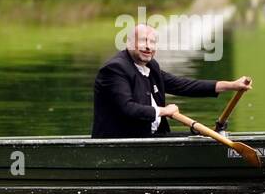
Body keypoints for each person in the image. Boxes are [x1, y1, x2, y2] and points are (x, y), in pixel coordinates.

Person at [92, 24, 252, 138]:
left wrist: (232, 85)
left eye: (152, 42)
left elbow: (183, 86)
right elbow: (128, 108)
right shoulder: (115, 69)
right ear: (128, 43)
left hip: (152, 137)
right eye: (142, 41)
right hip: (121, 142)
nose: (148, 46)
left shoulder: (151, 66)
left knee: (199, 138)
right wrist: (164, 111)